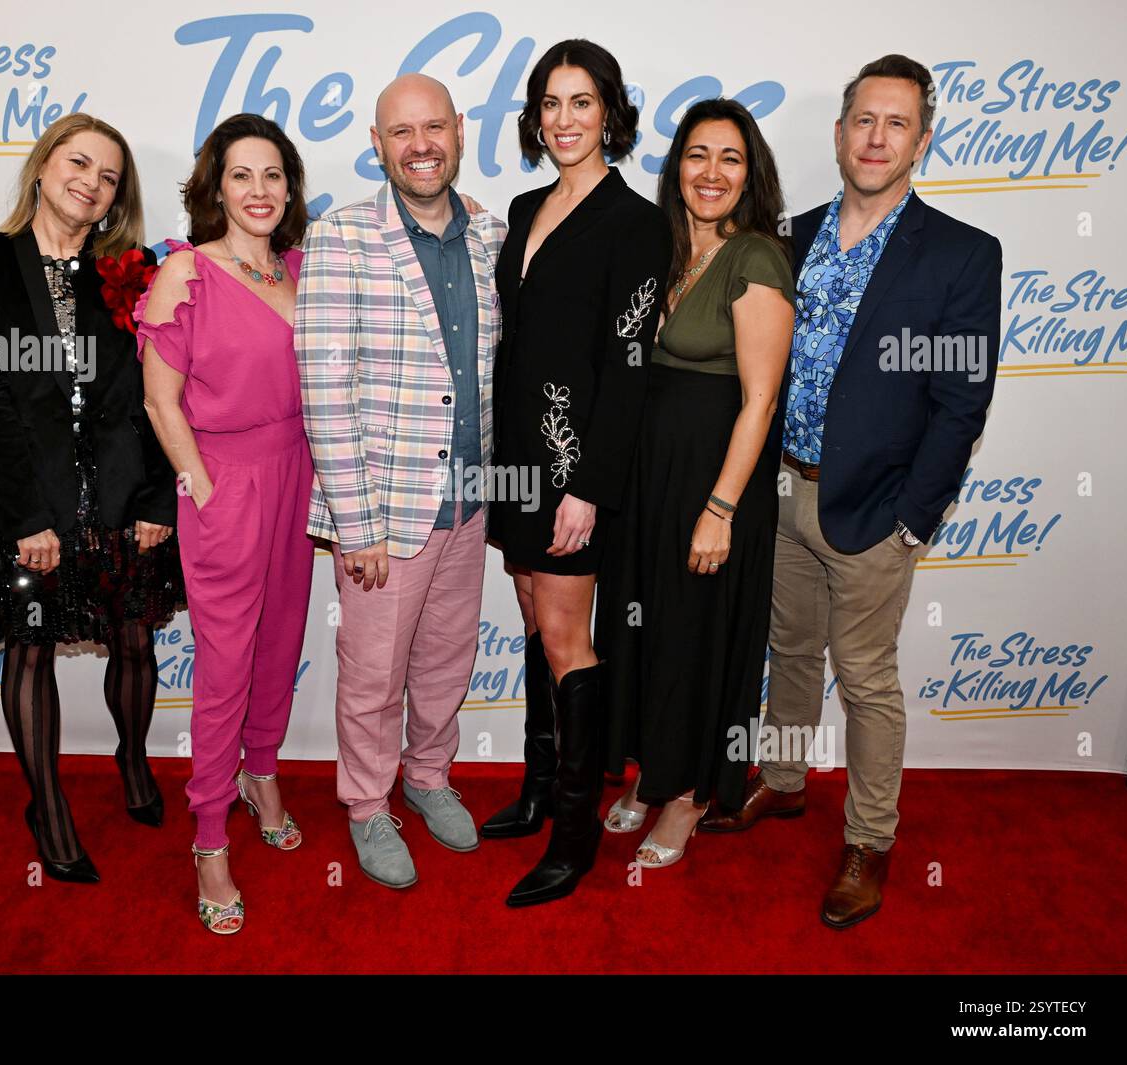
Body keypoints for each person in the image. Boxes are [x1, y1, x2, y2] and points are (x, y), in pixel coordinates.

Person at [698, 55, 1001, 929]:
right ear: (838, 135)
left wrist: (915, 516)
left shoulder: (959, 254)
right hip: (781, 496)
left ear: (923, 141)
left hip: (874, 513)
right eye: (862, 120)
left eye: (896, 123)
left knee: (865, 678)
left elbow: (962, 400)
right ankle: (786, 782)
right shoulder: (788, 237)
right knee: (788, 653)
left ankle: (870, 840)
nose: (875, 138)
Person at [0, 113, 183, 884]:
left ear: (116, 197)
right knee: (30, 648)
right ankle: (47, 807)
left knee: (135, 641)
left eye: (108, 175)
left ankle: (133, 760)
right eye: (78, 162)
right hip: (33, 501)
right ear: (45, 166)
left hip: (123, 495)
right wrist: (27, 517)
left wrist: (158, 498)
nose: (90, 181)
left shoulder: (131, 270)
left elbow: (159, 392)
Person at [295, 73, 506, 891]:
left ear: (458, 130)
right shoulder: (342, 236)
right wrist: (357, 523)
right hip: (382, 511)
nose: (421, 145)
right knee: (374, 672)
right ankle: (365, 805)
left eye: (434, 127)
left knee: (448, 660)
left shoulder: (490, 234)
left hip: (468, 500)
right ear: (377, 145)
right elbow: (324, 386)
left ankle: (426, 777)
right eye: (401, 132)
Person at [483, 39, 672, 907]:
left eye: (581, 102)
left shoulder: (634, 222)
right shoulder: (523, 208)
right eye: (550, 103)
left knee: (567, 638)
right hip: (516, 460)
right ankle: (535, 785)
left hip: (573, 469)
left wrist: (587, 486)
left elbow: (627, 366)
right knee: (530, 617)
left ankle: (573, 830)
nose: (564, 120)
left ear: (610, 114)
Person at [597, 98, 794, 868]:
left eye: (730, 158)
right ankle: (652, 776)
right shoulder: (668, 250)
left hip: (713, 480)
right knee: (647, 633)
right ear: (676, 165)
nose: (711, 173)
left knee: (693, 638)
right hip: (651, 479)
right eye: (697, 155)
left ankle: (686, 795)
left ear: (751, 175)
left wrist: (720, 508)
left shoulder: (756, 258)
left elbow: (760, 399)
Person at [137, 113, 314, 934]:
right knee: (225, 667)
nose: (259, 190)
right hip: (225, 481)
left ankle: (263, 773)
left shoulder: (304, 271)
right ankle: (209, 834)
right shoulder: (186, 276)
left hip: (299, 475)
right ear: (216, 188)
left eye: (273, 174)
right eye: (241, 175)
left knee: (280, 641)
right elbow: (158, 400)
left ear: (290, 186)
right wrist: (201, 489)